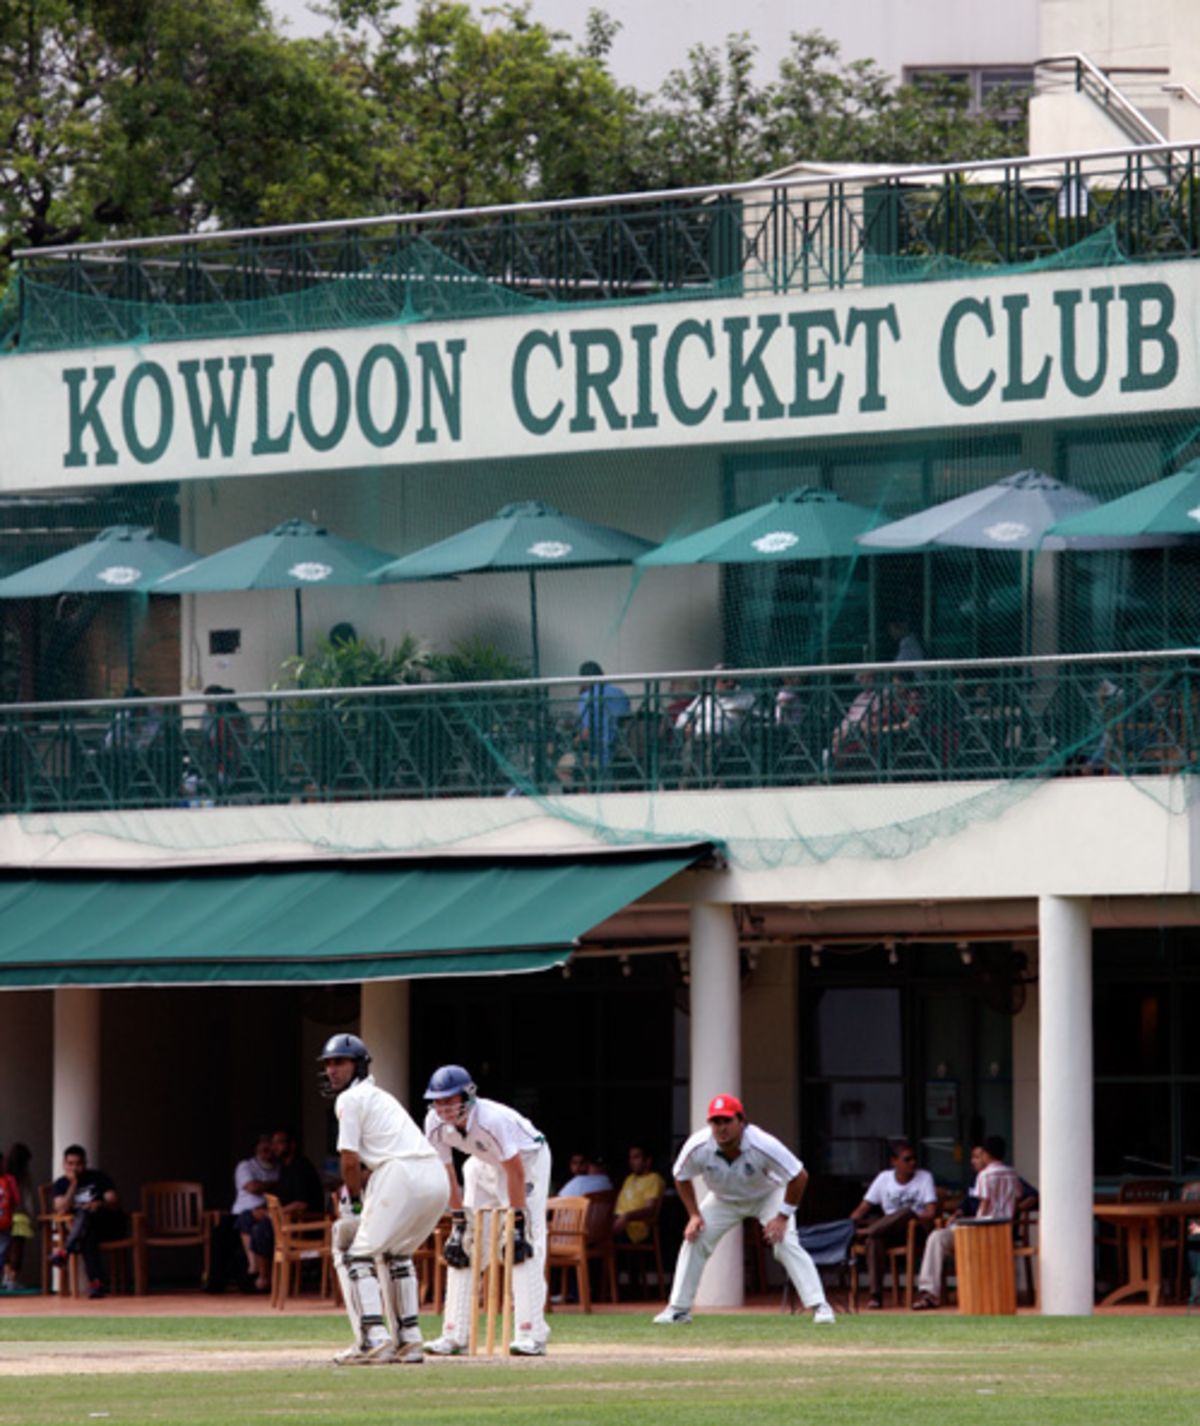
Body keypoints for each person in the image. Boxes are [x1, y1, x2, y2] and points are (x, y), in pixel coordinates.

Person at [318, 1033, 449, 1366]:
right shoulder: (380, 1096)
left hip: (400, 1176)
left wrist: (355, 1203)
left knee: (353, 1253)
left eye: (340, 1063)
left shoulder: (350, 1099)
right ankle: (409, 1341)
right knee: (397, 1255)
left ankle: (373, 1340)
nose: (332, 1070)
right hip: (434, 1177)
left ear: (358, 1066)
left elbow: (349, 1161)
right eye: (329, 1064)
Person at [653, 1093, 835, 1326]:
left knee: (786, 1243)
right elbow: (680, 1176)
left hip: (767, 1195)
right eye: (716, 1122)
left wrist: (782, 1217)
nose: (721, 1128)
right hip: (723, 1199)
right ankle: (677, 1309)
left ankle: (820, 1305)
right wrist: (694, 1215)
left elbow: (799, 1176)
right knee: (694, 1239)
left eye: (727, 1121)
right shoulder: (698, 1145)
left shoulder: (763, 1144)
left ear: (741, 1121)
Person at [422, 1064, 552, 1358]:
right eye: (438, 1100)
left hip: (528, 1163)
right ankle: (455, 1334)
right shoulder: (433, 1123)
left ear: (467, 1096)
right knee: (464, 1244)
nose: (443, 1107)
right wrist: (458, 1219)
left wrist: (517, 1219)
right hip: (481, 1163)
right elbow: (446, 1172)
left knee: (522, 1244)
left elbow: (516, 1170)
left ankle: (532, 1334)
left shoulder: (493, 1119)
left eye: (449, 1100)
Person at [912, 1135, 1021, 1310]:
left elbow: (984, 1204)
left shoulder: (984, 1176)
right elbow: (1017, 1199)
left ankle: (930, 1293)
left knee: (936, 1236)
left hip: (982, 1228)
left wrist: (977, 1221)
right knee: (939, 1236)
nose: (975, 1160)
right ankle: (930, 1293)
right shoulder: (1012, 1173)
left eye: (979, 1156)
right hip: (1004, 1227)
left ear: (986, 1154)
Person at [850, 1138, 938, 1309]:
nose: (912, 1163)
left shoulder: (924, 1177)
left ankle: (868, 1231)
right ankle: (875, 1296)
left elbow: (931, 1211)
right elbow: (863, 1208)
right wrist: (848, 1225)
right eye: (907, 1159)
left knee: (906, 1211)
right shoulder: (884, 1178)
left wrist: (916, 1217)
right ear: (894, 1161)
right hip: (888, 1231)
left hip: (914, 1230)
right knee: (874, 1240)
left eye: (914, 1159)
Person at [49, 1144, 127, 1299]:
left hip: (106, 1224)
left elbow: (113, 1201)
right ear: (64, 1165)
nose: (74, 1168)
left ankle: (65, 1251)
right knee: (87, 1234)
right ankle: (96, 1284)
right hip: (84, 1232)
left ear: (85, 1163)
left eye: (78, 1163)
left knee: (87, 1216)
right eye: (70, 1164)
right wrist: (73, 1184)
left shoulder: (99, 1177)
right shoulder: (61, 1184)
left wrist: (100, 1204)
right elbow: (61, 1209)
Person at [231, 1132, 278, 1292]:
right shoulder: (246, 1166)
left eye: (269, 1149)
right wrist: (273, 1184)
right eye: (263, 1149)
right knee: (245, 1219)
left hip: (269, 1213)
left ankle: (260, 1274)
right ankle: (253, 1266)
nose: (267, 1152)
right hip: (242, 1213)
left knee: (261, 1227)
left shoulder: (279, 1168)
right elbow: (252, 1187)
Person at [575, 661, 631, 778]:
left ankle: (582, 794)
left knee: (562, 766)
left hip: (597, 754)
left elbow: (586, 732)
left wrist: (571, 743)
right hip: (623, 751)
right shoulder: (620, 693)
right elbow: (627, 721)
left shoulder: (587, 697)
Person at [613, 1144, 665, 1246]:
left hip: (635, 1227)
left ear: (648, 1161)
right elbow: (617, 1205)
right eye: (630, 1158)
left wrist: (627, 1217)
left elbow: (650, 1209)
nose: (631, 1161)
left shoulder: (654, 1179)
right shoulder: (629, 1179)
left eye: (636, 1157)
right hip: (619, 1222)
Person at [1, 1143, 34, 1290]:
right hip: (19, 1218)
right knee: (17, 1248)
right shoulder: (22, 1177)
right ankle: (12, 1279)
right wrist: (33, 1217)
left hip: (4, 1218)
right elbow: (26, 1200)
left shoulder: (4, 1176)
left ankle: (6, 1278)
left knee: (5, 1250)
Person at [0, 1152, 19, 1289]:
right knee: (2, 1252)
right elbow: (17, 1199)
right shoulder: (9, 1179)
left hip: (5, 1222)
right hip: (5, 1222)